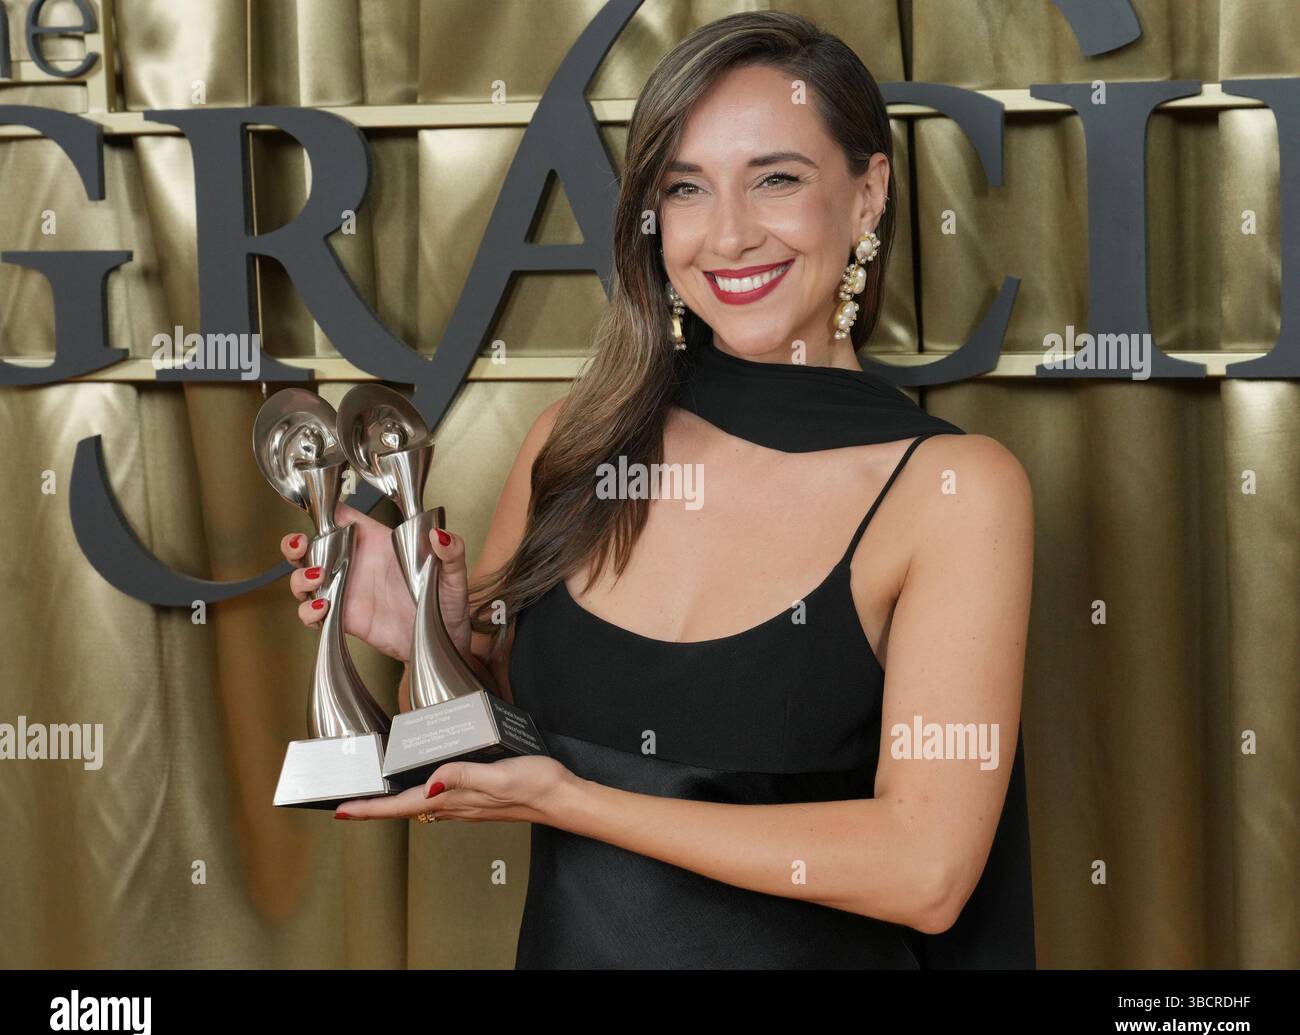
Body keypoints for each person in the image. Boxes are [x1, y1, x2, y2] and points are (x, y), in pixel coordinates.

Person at [279, 11, 1036, 969]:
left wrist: (574, 801)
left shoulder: (953, 490)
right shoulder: (579, 442)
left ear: (867, 193)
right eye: (687, 188)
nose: (728, 234)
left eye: (777, 178)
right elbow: (525, 723)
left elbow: (926, 872)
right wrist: (433, 631)